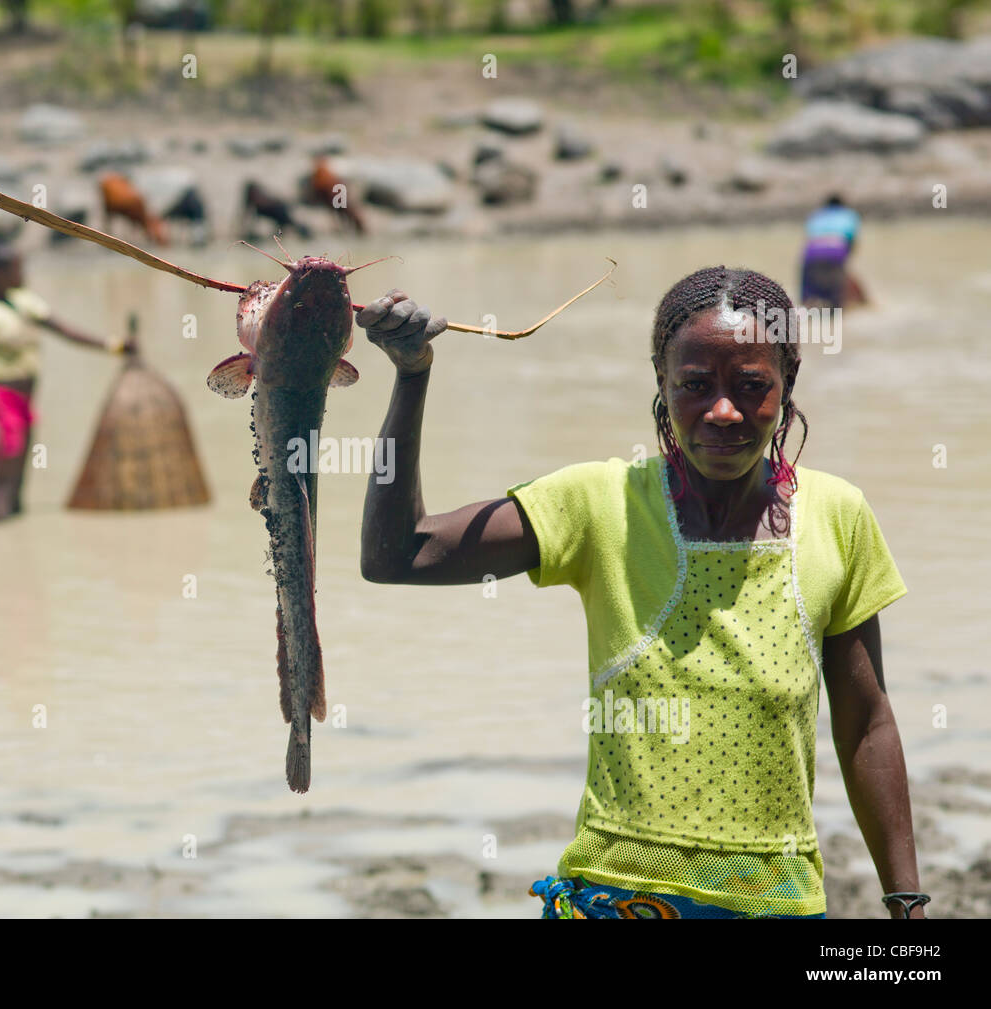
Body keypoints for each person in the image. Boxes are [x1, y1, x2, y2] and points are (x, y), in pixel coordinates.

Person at [356, 267, 926, 919]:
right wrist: (411, 376)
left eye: (750, 386)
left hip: (777, 902)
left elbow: (866, 722)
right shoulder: (603, 505)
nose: (721, 410)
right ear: (661, 380)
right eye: (693, 385)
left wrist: (906, 903)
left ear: (787, 383)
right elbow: (398, 553)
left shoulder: (837, 515)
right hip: (617, 897)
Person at [0, 244, 122, 520]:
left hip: (26, 400)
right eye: (16, 268)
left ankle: (13, 549)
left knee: (19, 483)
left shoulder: (25, 302)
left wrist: (114, 346)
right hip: (0, 399)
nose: (22, 273)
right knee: (3, 481)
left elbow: (65, 331)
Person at [801, 194, 867, 308]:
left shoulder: (816, 215)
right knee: (838, 299)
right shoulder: (849, 215)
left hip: (811, 250)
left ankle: (803, 322)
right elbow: (852, 242)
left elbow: (809, 237)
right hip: (837, 248)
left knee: (808, 300)